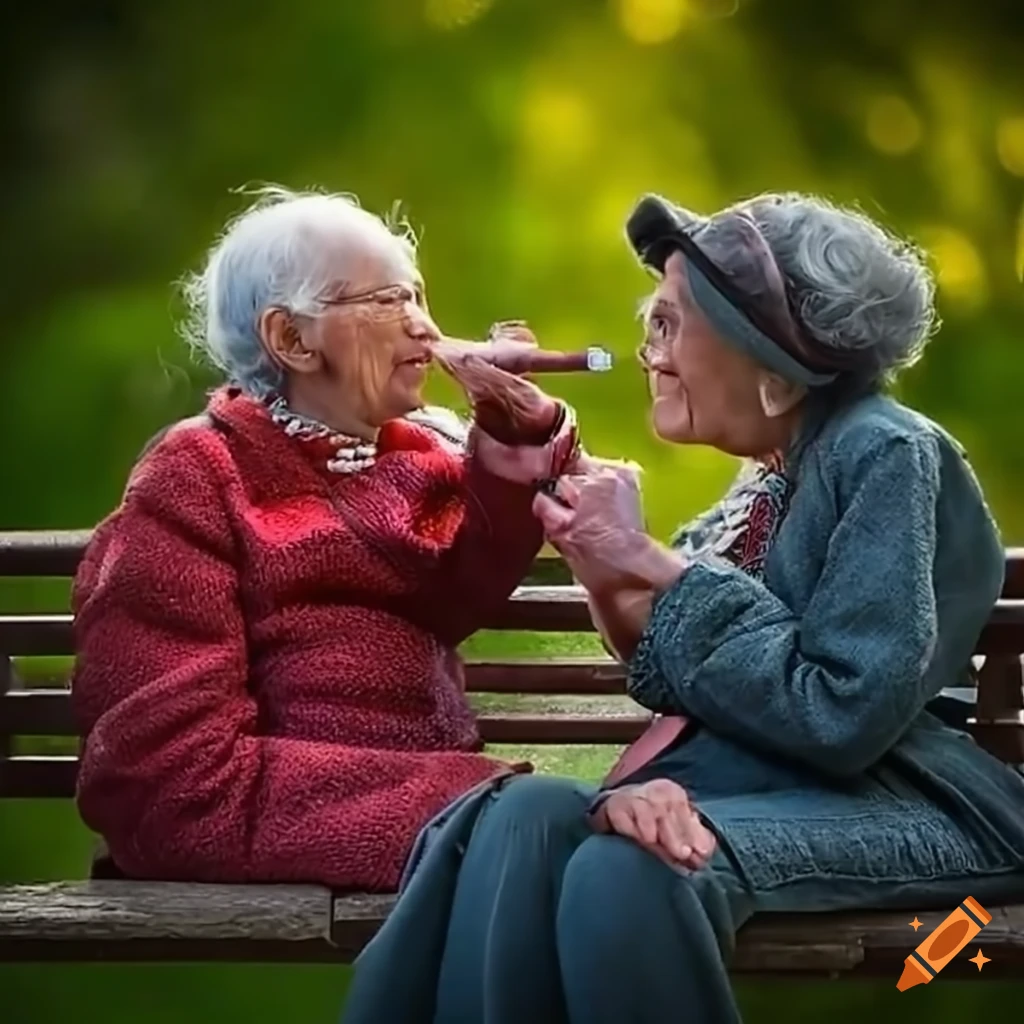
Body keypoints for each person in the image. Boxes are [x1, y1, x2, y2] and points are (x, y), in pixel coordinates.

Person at [340, 192, 1024, 1024]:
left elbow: (844, 713)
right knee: (527, 813)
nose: (648, 354)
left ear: (769, 360)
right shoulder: (771, 469)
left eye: (668, 326)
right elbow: (681, 673)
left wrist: (653, 564)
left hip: (906, 803)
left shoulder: (886, 451)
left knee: (632, 865)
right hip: (765, 785)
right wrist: (602, 567)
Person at [69, 185, 582, 890]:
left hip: (446, 827)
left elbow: (466, 585)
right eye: (387, 302)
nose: (426, 330)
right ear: (290, 338)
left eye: (420, 297)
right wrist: (469, 803)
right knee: (553, 834)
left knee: (578, 843)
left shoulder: (420, 452)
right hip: (315, 828)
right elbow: (172, 786)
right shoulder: (194, 477)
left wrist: (517, 429)